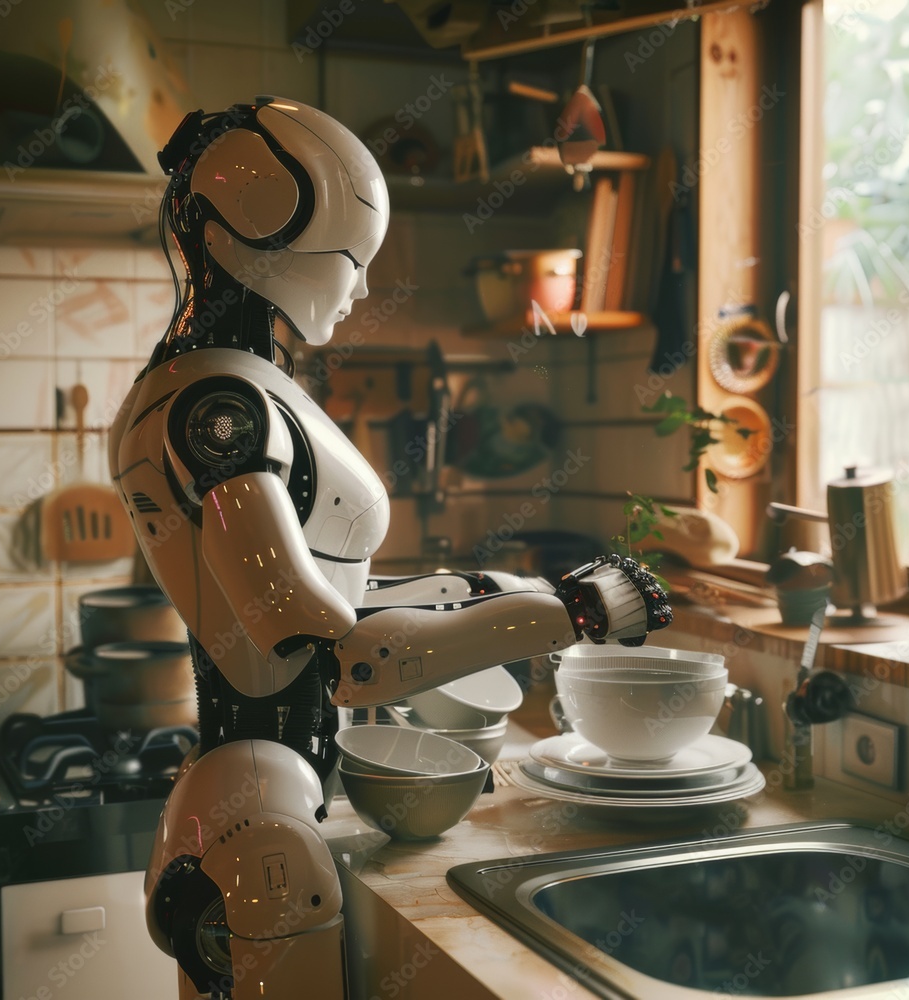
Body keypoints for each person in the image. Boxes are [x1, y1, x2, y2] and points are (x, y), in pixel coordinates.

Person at [108, 97, 672, 999]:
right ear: (249, 241)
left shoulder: (219, 386)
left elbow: (339, 599)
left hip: (251, 789)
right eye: (350, 261)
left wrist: (496, 587)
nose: (362, 289)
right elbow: (341, 657)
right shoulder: (222, 407)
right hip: (259, 820)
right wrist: (563, 611)